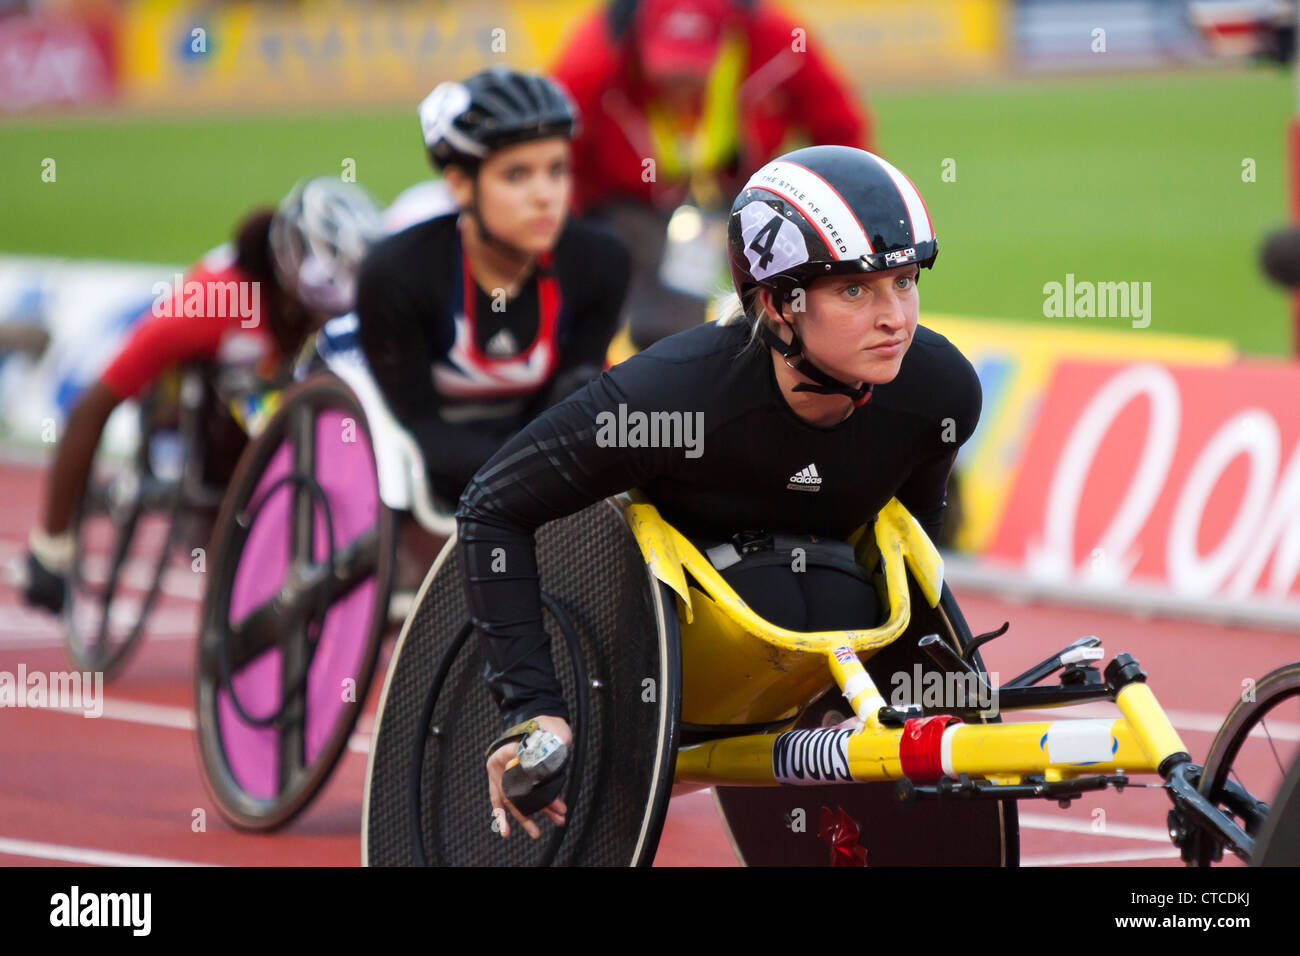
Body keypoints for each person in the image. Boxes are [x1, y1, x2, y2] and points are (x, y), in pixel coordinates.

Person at [454, 144, 982, 838]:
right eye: (855, 290)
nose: (896, 318)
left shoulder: (941, 394)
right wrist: (532, 708)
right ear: (778, 305)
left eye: (905, 281)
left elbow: (907, 544)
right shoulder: (670, 399)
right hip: (653, 643)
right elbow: (492, 505)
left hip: (824, 636)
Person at [20, 177, 384, 614]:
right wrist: (52, 546)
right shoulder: (214, 301)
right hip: (201, 395)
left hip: (276, 382)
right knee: (238, 412)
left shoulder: (352, 303)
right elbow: (94, 404)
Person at [354, 67, 630, 511]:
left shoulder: (602, 262)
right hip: (415, 475)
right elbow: (419, 431)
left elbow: (569, 405)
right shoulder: (397, 274)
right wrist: (547, 472)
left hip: (531, 468)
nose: (546, 196)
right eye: (517, 175)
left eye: (557, 170)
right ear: (460, 184)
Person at [552, 0, 871, 346]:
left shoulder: (777, 40)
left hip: (733, 196)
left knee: (686, 326)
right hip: (624, 201)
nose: (681, 82)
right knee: (613, 316)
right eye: (670, 68)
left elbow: (839, 126)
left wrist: (853, 215)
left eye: (692, 68)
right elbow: (555, 152)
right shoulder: (593, 58)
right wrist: (565, 236)